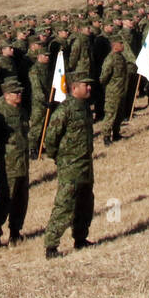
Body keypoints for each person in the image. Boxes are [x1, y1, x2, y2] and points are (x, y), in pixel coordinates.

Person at [44, 75, 96, 257]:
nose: (89, 88)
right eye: (85, 85)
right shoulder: (65, 110)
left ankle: (80, 238)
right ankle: (51, 246)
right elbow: (50, 138)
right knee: (65, 205)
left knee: (85, 203)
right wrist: (59, 158)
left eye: (89, 85)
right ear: (74, 88)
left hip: (85, 165)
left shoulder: (86, 108)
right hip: (70, 166)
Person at [0, 80, 29, 247]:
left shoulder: (22, 111)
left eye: (20, 92)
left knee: (21, 200)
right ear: (6, 95)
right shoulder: (0, 114)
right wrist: (0, 156)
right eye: (15, 93)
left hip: (22, 163)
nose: (19, 95)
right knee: (4, 200)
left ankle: (15, 231)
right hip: (8, 165)